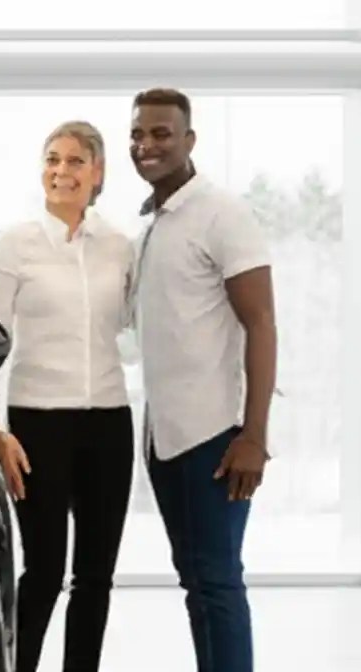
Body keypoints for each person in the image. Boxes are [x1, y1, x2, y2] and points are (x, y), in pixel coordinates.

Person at [0, 120, 136, 672]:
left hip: (109, 422)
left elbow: (143, 322)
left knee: (95, 578)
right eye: (52, 160)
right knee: (42, 572)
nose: (61, 172)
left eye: (74, 162)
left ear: (98, 172)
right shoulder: (14, 245)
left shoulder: (120, 247)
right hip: (37, 424)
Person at [127, 87, 276, 672]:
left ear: (190, 141)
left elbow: (261, 324)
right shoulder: (156, 223)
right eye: (138, 133)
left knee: (216, 582)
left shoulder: (222, 213)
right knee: (198, 582)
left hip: (215, 437)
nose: (147, 144)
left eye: (161, 133)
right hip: (165, 436)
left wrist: (254, 436)